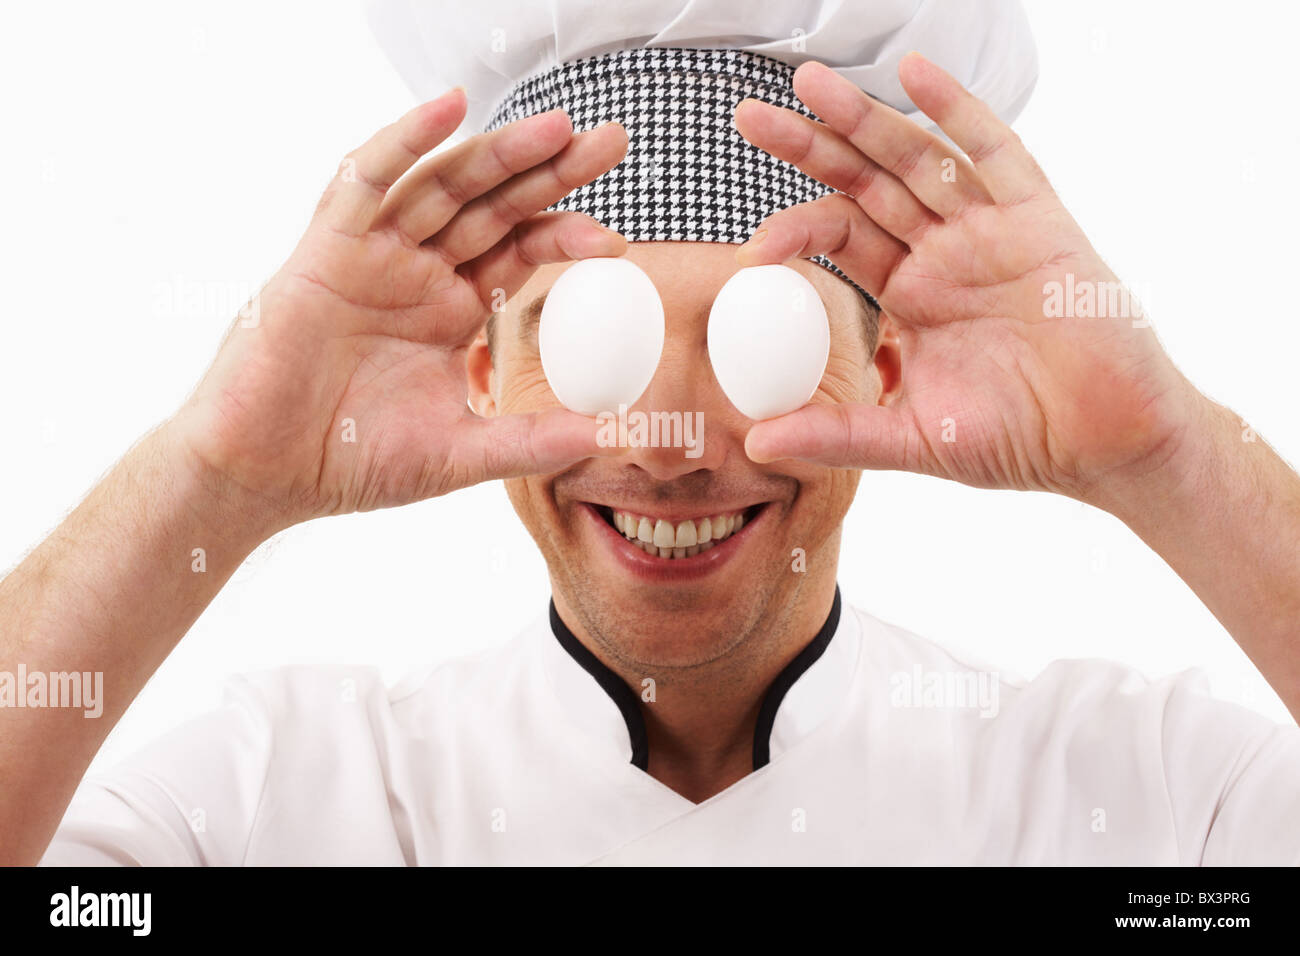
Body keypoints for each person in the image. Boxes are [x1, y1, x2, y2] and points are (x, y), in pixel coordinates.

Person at [4, 0, 1299, 865]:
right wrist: (213, 472)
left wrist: (1165, 454)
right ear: (486, 369)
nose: (672, 440)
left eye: (762, 334)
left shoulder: (1142, 807)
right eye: (588, 336)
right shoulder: (275, 803)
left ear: (884, 365)